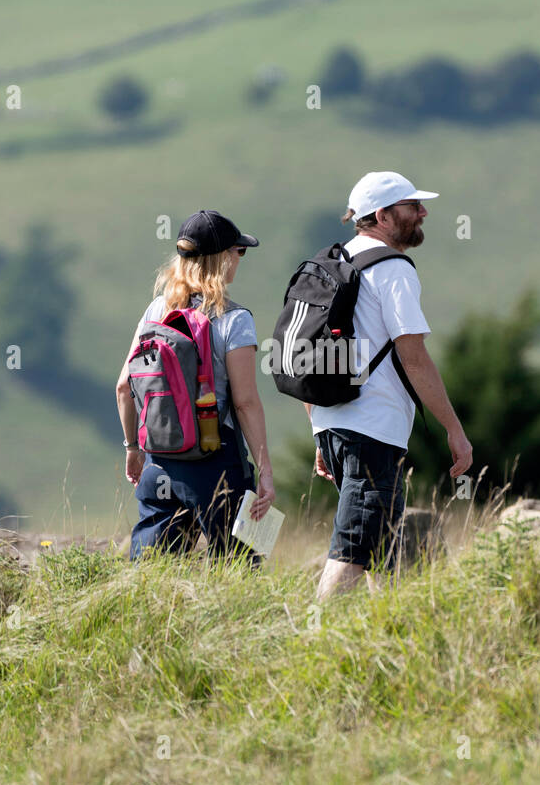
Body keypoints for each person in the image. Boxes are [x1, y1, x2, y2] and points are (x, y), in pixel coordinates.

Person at [307, 172, 473, 600]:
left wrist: (320, 432)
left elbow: (310, 352)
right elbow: (413, 357)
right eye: (411, 206)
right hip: (372, 431)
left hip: (333, 426)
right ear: (381, 215)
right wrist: (453, 429)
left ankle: (391, 637)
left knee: (381, 549)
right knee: (352, 551)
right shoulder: (392, 268)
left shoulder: (334, 264)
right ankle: (314, 640)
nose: (423, 213)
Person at [116, 210, 275, 561]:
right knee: (242, 564)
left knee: (153, 572)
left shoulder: (156, 310)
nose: (239, 259)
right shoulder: (235, 320)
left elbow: (124, 387)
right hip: (216, 455)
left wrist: (132, 448)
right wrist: (265, 473)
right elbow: (246, 403)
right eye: (239, 251)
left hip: (159, 456)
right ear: (222, 258)